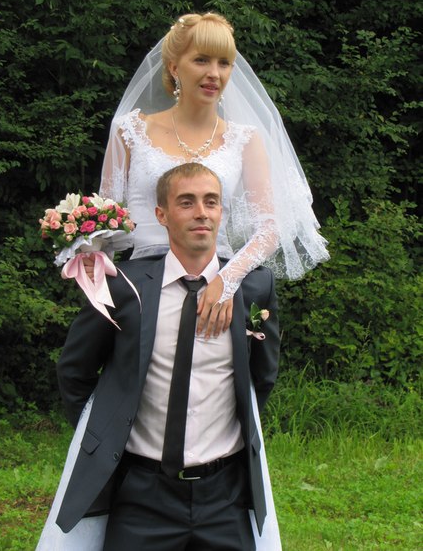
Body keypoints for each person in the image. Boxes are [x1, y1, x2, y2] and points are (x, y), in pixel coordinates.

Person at [37, 163, 281, 550]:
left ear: (221, 211)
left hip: (226, 495)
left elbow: (262, 377)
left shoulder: (255, 287)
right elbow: (75, 371)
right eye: (186, 202)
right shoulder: (124, 286)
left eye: (211, 202)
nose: (201, 212)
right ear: (161, 215)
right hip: (142, 496)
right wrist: (105, 432)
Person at [91, 11, 329, 338]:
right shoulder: (130, 131)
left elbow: (269, 228)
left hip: (215, 288)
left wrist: (227, 281)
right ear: (174, 67)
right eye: (201, 60)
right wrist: (96, 279)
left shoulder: (245, 140)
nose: (214, 73)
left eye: (224, 63)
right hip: (141, 283)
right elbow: (104, 222)